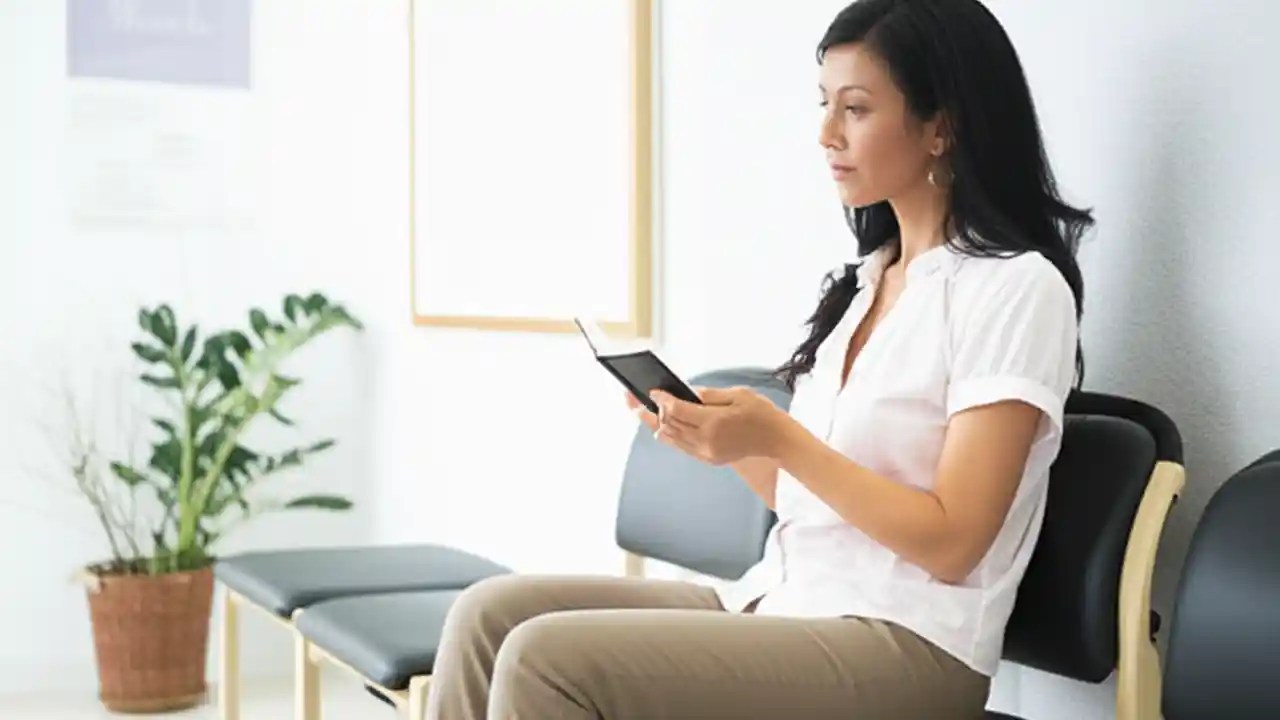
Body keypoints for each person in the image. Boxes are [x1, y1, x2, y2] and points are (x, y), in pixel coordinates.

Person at [425, 0, 1091, 717]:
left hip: (911, 643)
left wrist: (783, 440)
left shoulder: (1016, 288)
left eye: (857, 109)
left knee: (544, 661)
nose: (827, 133)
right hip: (786, 597)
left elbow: (956, 541)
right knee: (488, 617)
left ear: (941, 126)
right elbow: (816, 499)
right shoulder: (872, 281)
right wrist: (727, 443)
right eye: (824, 104)